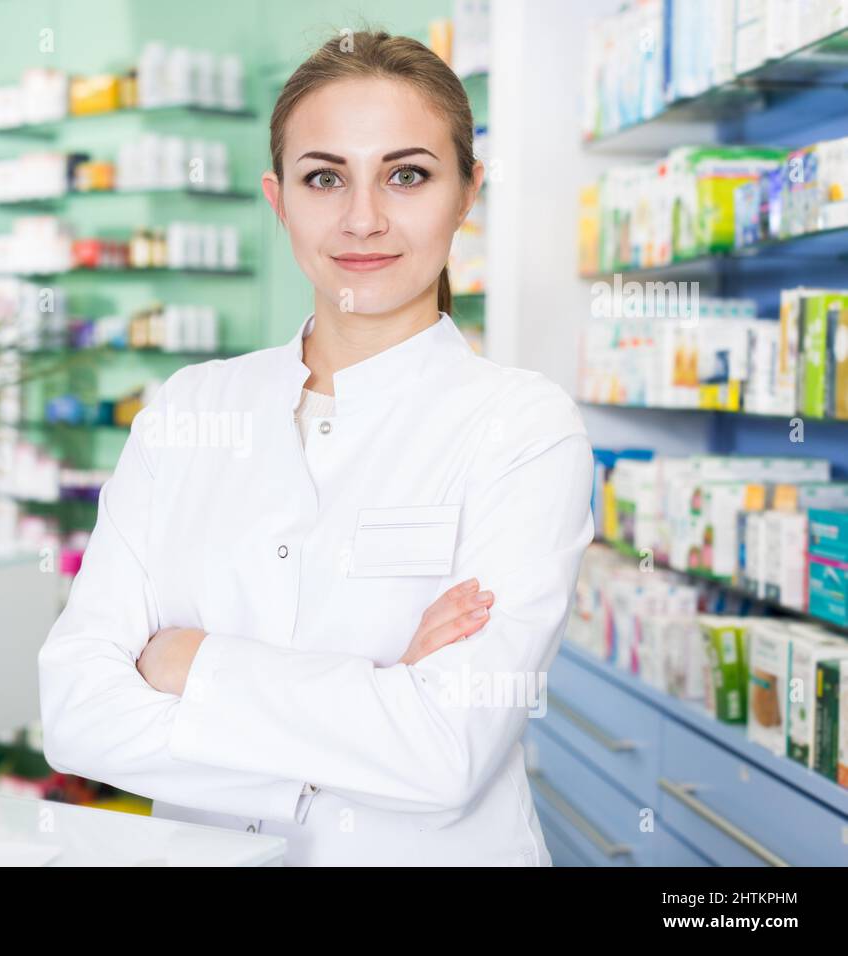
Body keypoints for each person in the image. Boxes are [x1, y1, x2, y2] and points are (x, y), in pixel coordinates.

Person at [37, 29, 594, 866]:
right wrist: (377, 700)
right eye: (325, 178)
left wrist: (192, 664)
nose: (363, 218)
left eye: (407, 175)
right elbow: (78, 715)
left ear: (467, 193)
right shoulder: (189, 410)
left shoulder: (522, 428)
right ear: (279, 199)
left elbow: (446, 754)